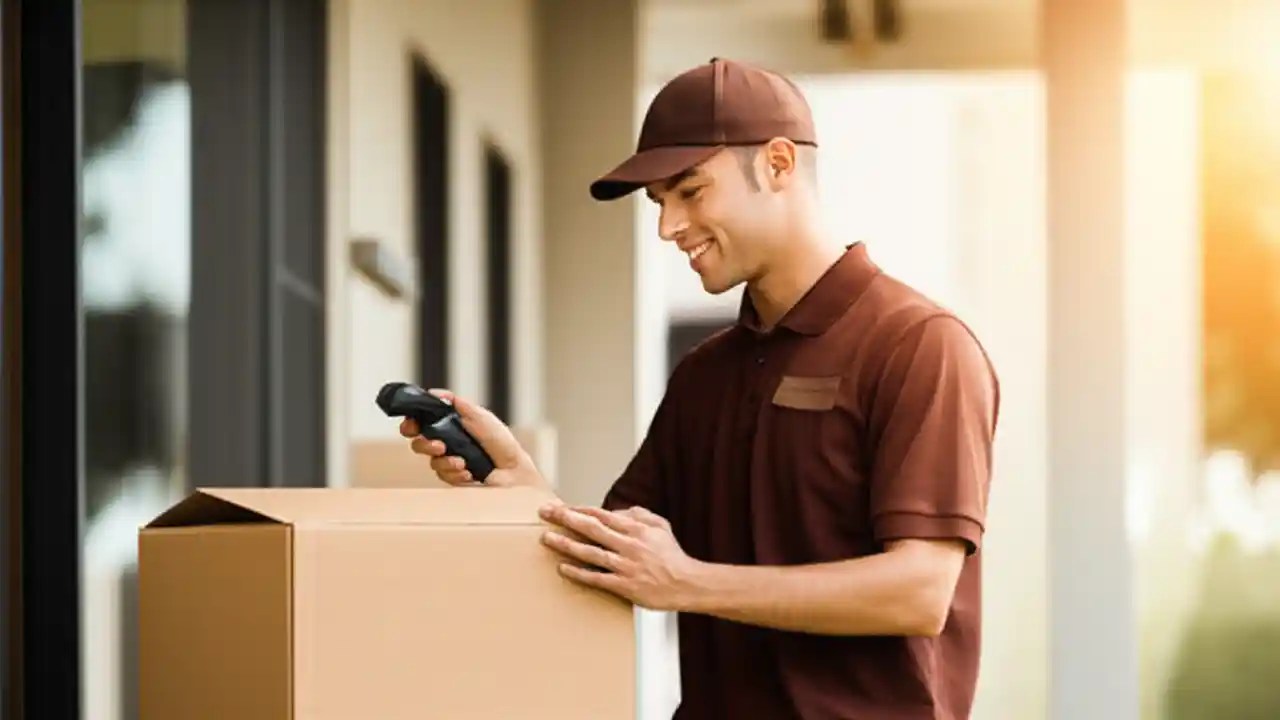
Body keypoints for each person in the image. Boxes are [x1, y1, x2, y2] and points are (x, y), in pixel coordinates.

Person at [400, 57, 1000, 720]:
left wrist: (689, 584)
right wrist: (519, 484)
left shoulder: (921, 347)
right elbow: (622, 566)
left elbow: (919, 591)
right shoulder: (705, 375)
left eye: (690, 191)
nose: (668, 227)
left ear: (778, 164)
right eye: (660, 203)